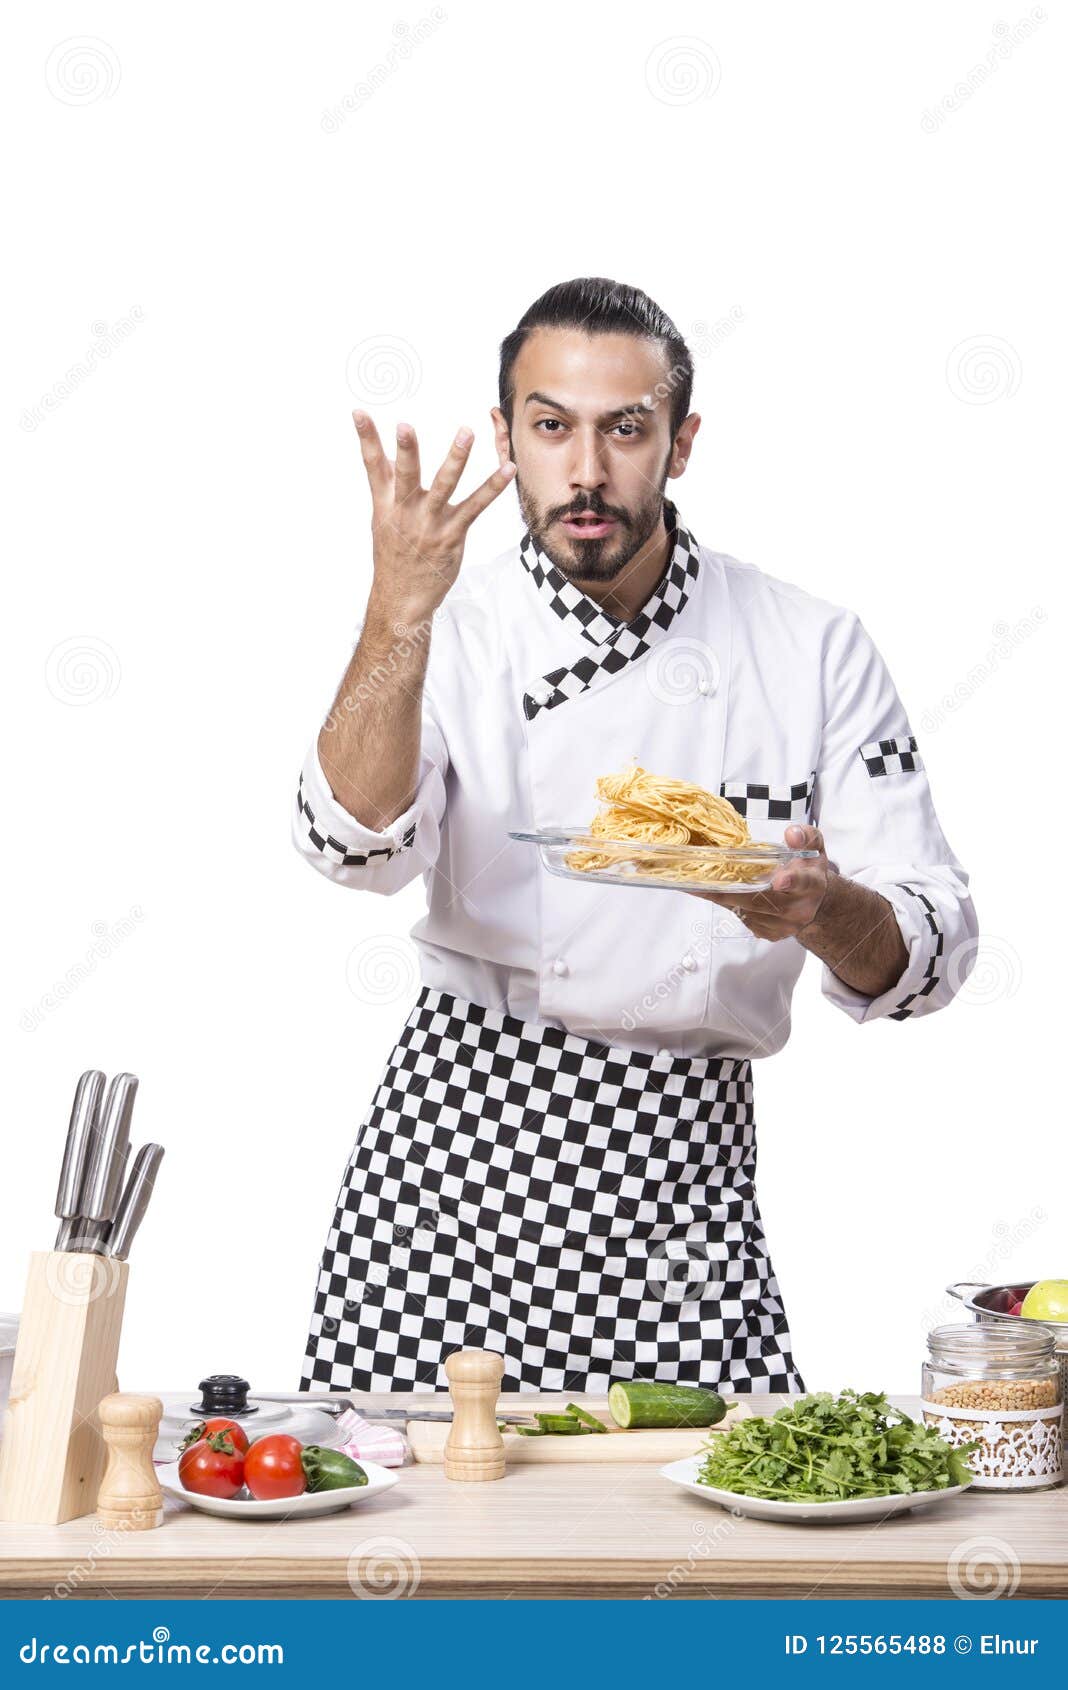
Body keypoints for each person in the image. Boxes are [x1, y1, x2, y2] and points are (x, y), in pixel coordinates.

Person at [293, 277, 976, 1396]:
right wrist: (395, 607)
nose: (587, 470)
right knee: (417, 1505)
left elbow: (931, 949)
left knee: (724, 1523)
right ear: (509, 435)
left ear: (681, 442)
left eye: (626, 429)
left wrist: (822, 908)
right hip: (455, 1155)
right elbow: (352, 849)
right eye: (551, 426)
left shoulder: (809, 647)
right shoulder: (449, 632)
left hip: (683, 1170)